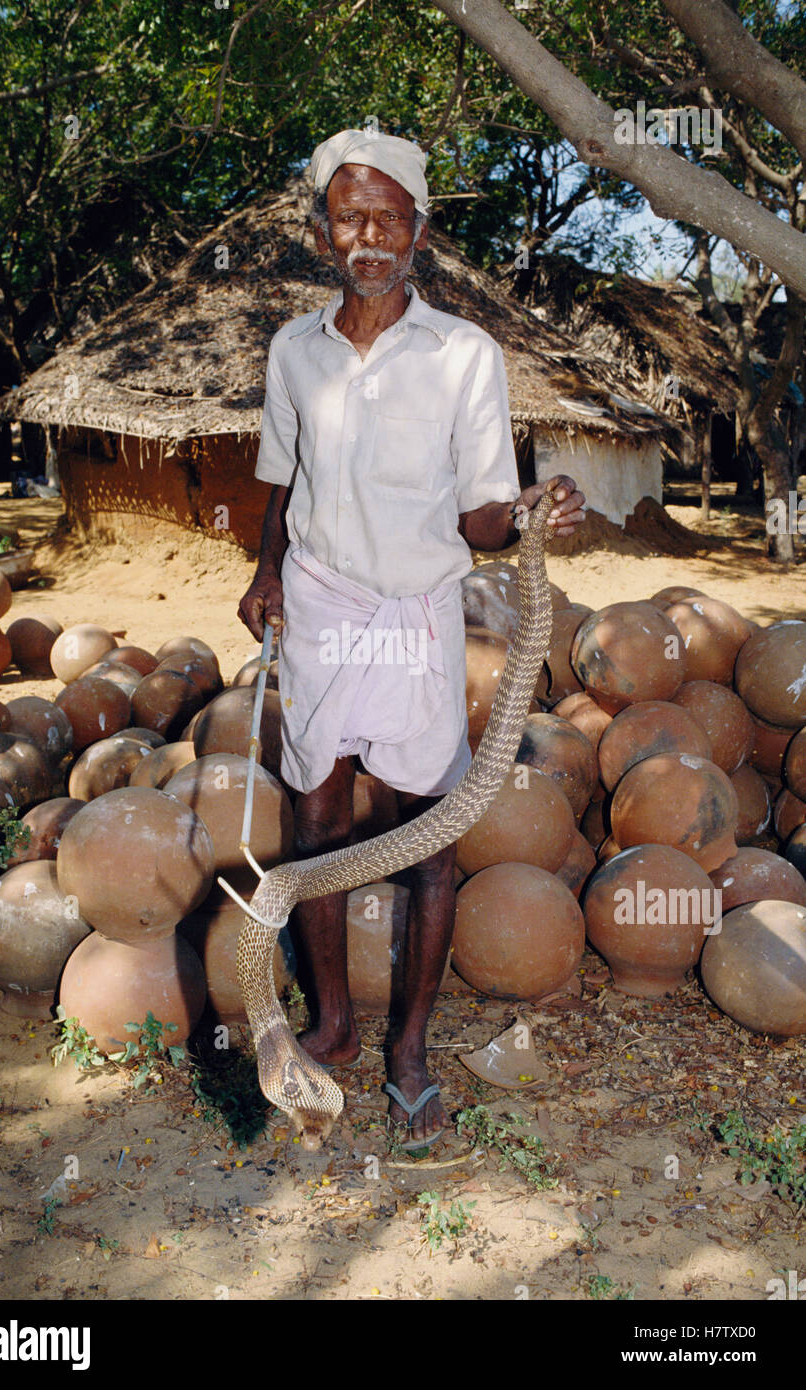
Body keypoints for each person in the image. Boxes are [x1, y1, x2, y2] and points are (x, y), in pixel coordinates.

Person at [238, 128, 586, 1147]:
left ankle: (410, 1052)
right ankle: (337, 1026)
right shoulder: (293, 350)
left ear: (421, 230)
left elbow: (482, 519)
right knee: (313, 824)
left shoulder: (465, 355)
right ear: (321, 230)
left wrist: (527, 513)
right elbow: (281, 477)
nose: (371, 234)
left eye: (390, 215)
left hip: (420, 611)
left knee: (426, 833)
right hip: (320, 604)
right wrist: (264, 570)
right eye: (351, 215)